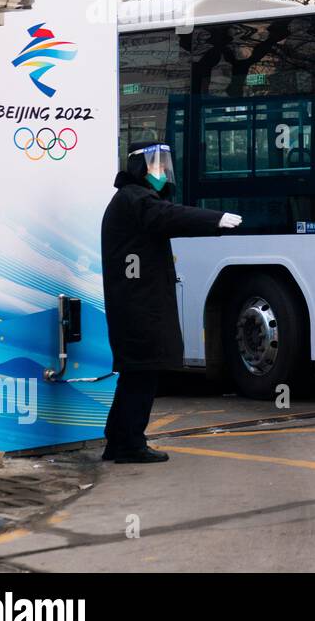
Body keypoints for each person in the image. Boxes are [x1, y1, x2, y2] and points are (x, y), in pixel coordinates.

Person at [100, 142, 241, 463]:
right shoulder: (136, 200)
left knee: (136, 374)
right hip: (139, 307)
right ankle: (130, 444)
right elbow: (169, 216)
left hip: (137, 304)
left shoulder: (132, 199)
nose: (163, 173)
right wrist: (214, 219)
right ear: (139, 168)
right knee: (144, 372)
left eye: (165, 167)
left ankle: (119, 441)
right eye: (156, 167)